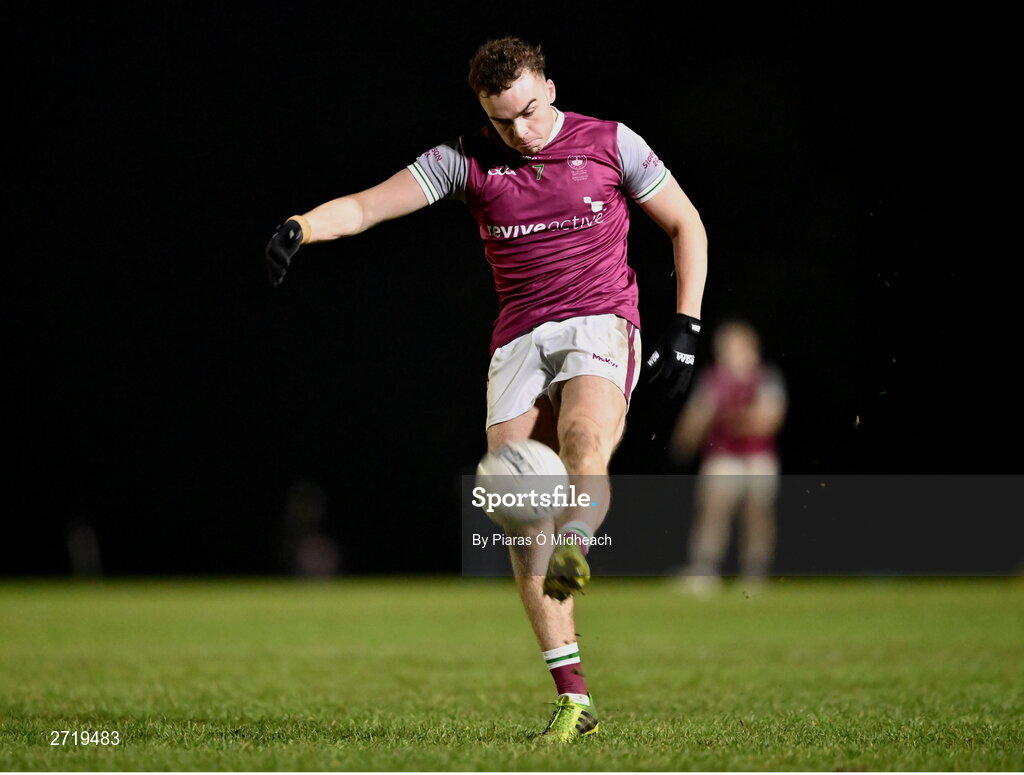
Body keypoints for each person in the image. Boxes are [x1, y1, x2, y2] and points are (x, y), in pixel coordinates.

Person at [265, 37, 707, 741]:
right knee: (515, 503)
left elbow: (687, 223)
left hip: (599, 319)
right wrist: (304, 227)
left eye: (530, 113)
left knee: (583, 437)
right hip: (519, 337)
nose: (522, 132)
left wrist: (685, 325)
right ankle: (573, 697)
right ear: (485, 114)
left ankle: (580, 544)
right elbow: (371, 205)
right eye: (505, 122)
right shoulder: (465, 160)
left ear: (551, 89)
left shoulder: (611, 143)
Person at [670, 320, 786, 595]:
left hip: (758, 457)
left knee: (757, 516)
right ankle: (704, 570)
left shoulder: (765, 376)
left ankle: (755, 573)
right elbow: (696, 417)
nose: (725, 353)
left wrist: (728, 417)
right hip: (722, 457)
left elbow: (768, 419)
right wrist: (686, 440)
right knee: (711, 514)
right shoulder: (713, 379)